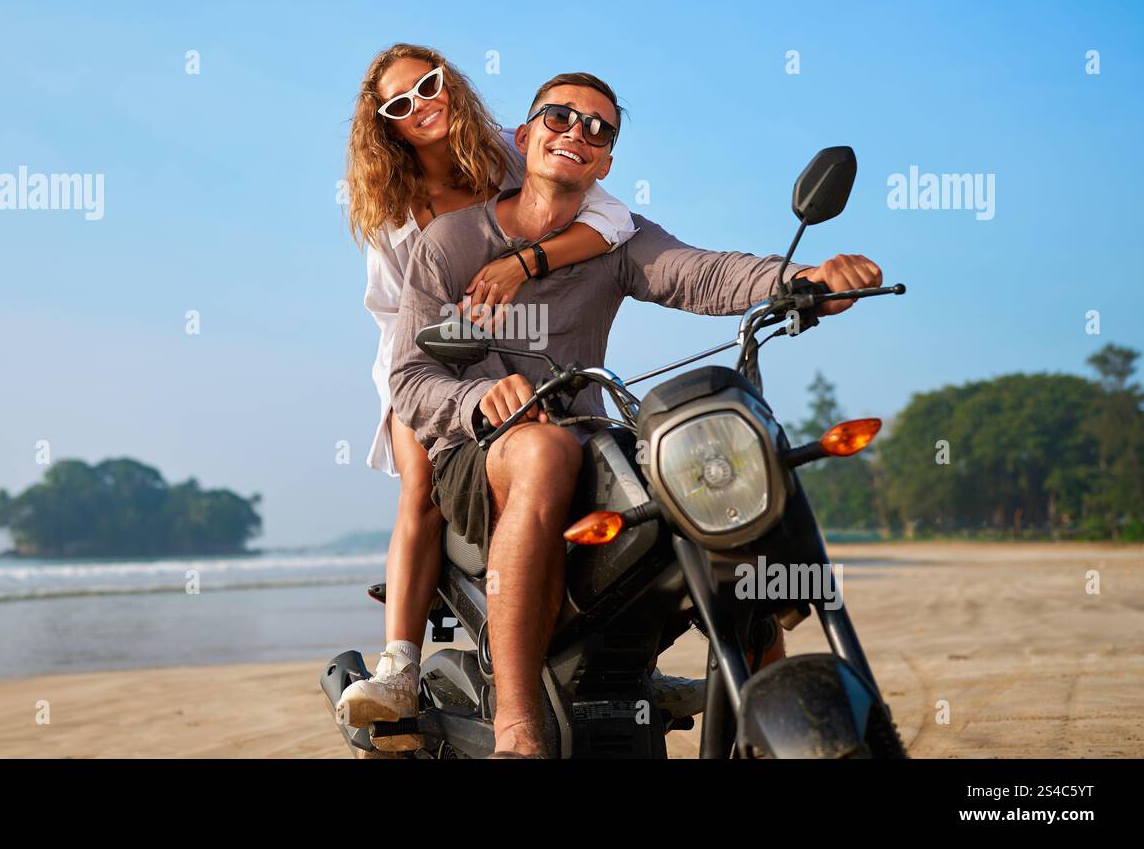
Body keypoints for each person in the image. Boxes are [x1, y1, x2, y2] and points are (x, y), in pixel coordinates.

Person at [390, 72, 884, 756]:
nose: (577, 133)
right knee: (544, 449)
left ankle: (764, 702)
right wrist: (478, 398)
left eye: (598, 128)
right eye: (559, 117)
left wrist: (802, 281)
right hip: (481, 454)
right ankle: (518, 726)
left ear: (608, 161)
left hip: (583, 439)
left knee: (711, 466)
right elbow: (409, 379)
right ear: (526, 136)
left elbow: (699, 271)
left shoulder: (617, 242)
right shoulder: (449, 242)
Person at [337, 45, 635, 745]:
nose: (421, 105)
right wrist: (434, 370)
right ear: (385, 124)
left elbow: (614, 222)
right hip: (425, 349)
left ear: (451, 80)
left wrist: (524, 260)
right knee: (422, 489)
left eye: (429, 86)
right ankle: (400, 665)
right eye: (399, 104)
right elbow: (392, 309)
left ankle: (623, 664)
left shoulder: (511, 150)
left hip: (519, 341)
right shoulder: (388, 207)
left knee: (589, 456)